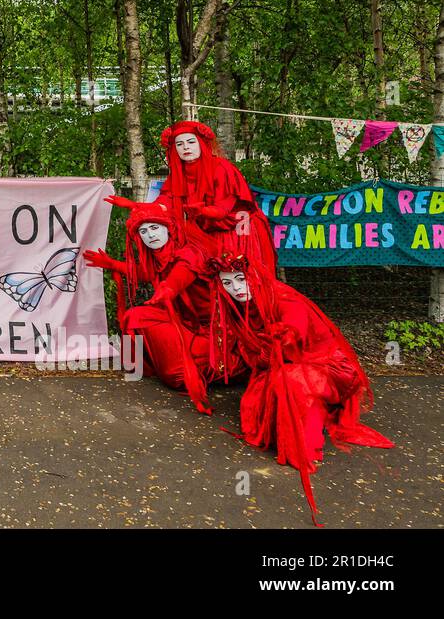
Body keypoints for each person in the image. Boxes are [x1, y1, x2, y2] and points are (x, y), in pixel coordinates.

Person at [207, 253, 392, 525]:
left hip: (328, 366)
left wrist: (285, 334)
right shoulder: (239, 308)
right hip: (285, 365)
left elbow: (295, 321)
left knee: (293, 383)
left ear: (255, 276)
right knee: (261, 398)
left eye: (240, 279)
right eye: (227, 283)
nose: (235, 288)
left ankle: (303, 448)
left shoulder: (283, 297)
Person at [84, 197, 247, 414]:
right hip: (184, 322)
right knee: (135, 316)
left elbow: (182, 272)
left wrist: (168, 289)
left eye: (154, 228)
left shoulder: (189, 252)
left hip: (213, 331)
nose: (150, 235)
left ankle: (212, 367)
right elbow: (146, 273)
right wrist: (113, 264)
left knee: (175, 375)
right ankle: (156, 366)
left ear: (168, 229)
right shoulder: (158, 256)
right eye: (143, 232)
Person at [155, 120, 277, 275]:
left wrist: (202, 211)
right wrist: (138, 208)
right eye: (179, 144)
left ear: (201, 143)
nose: (186, 147)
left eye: (191, 142)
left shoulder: (222, 168)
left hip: (236, 232)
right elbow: (164, 201)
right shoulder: (177, 175)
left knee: (239, 278)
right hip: (207, 234)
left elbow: (223, 209)